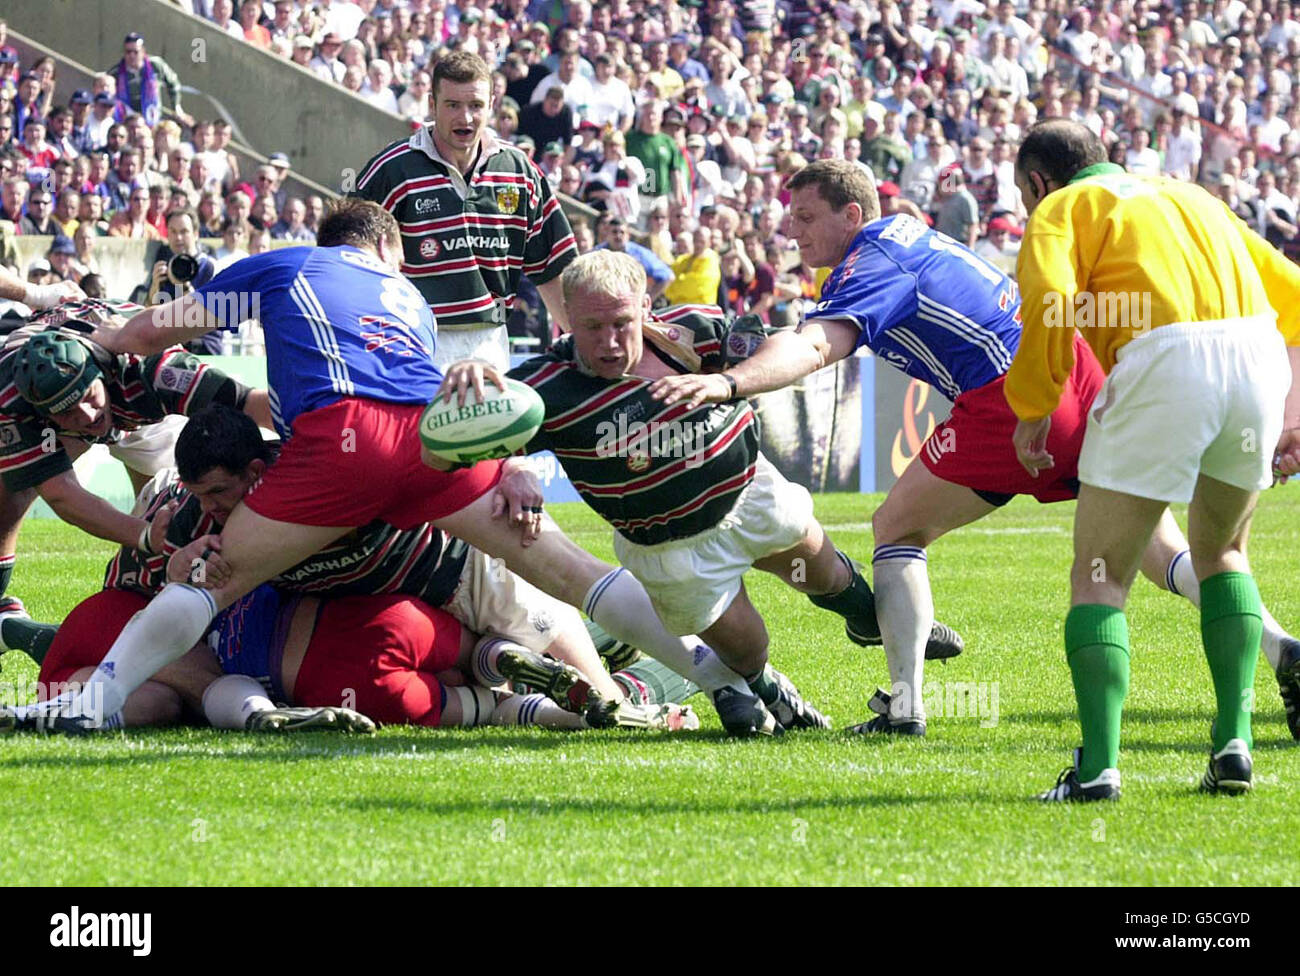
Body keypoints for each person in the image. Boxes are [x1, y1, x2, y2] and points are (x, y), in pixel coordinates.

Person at [10, 201, 775, 739]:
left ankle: (95, 701)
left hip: (341, 437)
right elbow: (429, 386)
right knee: (571, 571)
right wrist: (504, 462)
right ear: (391, 252)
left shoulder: (284, 265)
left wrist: (96, 333)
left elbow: (151, 331)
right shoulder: (408, 294)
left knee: (213, 583)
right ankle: (718, 680)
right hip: (434, 440)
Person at [650, 158, 1300, 743]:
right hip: (1074, 368)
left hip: (1013, 393)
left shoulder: (870, 261)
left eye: (806, 217)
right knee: (1155, 549)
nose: (793, 232)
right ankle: (1279, 649)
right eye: (789, 218)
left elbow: (818, 344)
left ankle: (905, 707)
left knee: (896, 526)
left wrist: (730, 382)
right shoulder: (902, 235)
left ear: (852, 215)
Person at [25, 405, 696, 734]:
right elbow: (141, 590)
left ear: (258, 473)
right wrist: (163, 555)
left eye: (220, 494)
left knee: (550, 626)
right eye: (198, 495)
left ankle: (621, 690)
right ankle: (560, 689)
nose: (211, 510)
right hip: (364, 612)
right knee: (437, 661)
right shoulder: (196, 519)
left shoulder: (321, 472)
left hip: (442, 565)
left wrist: (516, 466)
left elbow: (437, 434)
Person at [506, 251, 963, 732]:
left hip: (752, 495)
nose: (609, 342)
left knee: (829, 579)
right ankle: (768, 687)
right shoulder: (544, 386)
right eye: (591, 327)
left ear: (644, 307)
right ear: (567, 319)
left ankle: (888, 626)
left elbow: (775, 350)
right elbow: (480, 434)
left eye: (621, 322)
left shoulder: (695, 330)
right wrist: (514, 463)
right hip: (672, 552)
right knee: (750, 647)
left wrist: (727, 382)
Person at [1004, 120, 1300, 799]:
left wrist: (1036, 400)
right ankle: (1234, 746)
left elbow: (1048, 298)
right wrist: (1294, 410)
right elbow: (1295, 294)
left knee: (1101, 574)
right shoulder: (1192, 196)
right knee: (1223, 553)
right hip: (1255, 359)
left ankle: (1098, 768)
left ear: (1038, 181)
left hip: (1164, 360)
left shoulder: (1063, 207)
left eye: (1026, 195)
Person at [351, 51, 576, 371]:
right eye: (452, 105)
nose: (465, 118)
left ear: (493, 103)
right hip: (411, 342)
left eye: (475, 106)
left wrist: (581, 341)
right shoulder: (393, 168)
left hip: (491, 345)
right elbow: (347, 261)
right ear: (432, 104)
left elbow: (553, 268)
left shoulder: (519, 171)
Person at [107, 33, 194, 129]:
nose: (132, 56)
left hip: (153, 117)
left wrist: (176, 107)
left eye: (136, 52)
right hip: (127, 120)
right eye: (128, 52)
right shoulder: (115, 72)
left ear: (143, 51)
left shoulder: (156, 65)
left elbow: (173, 84)